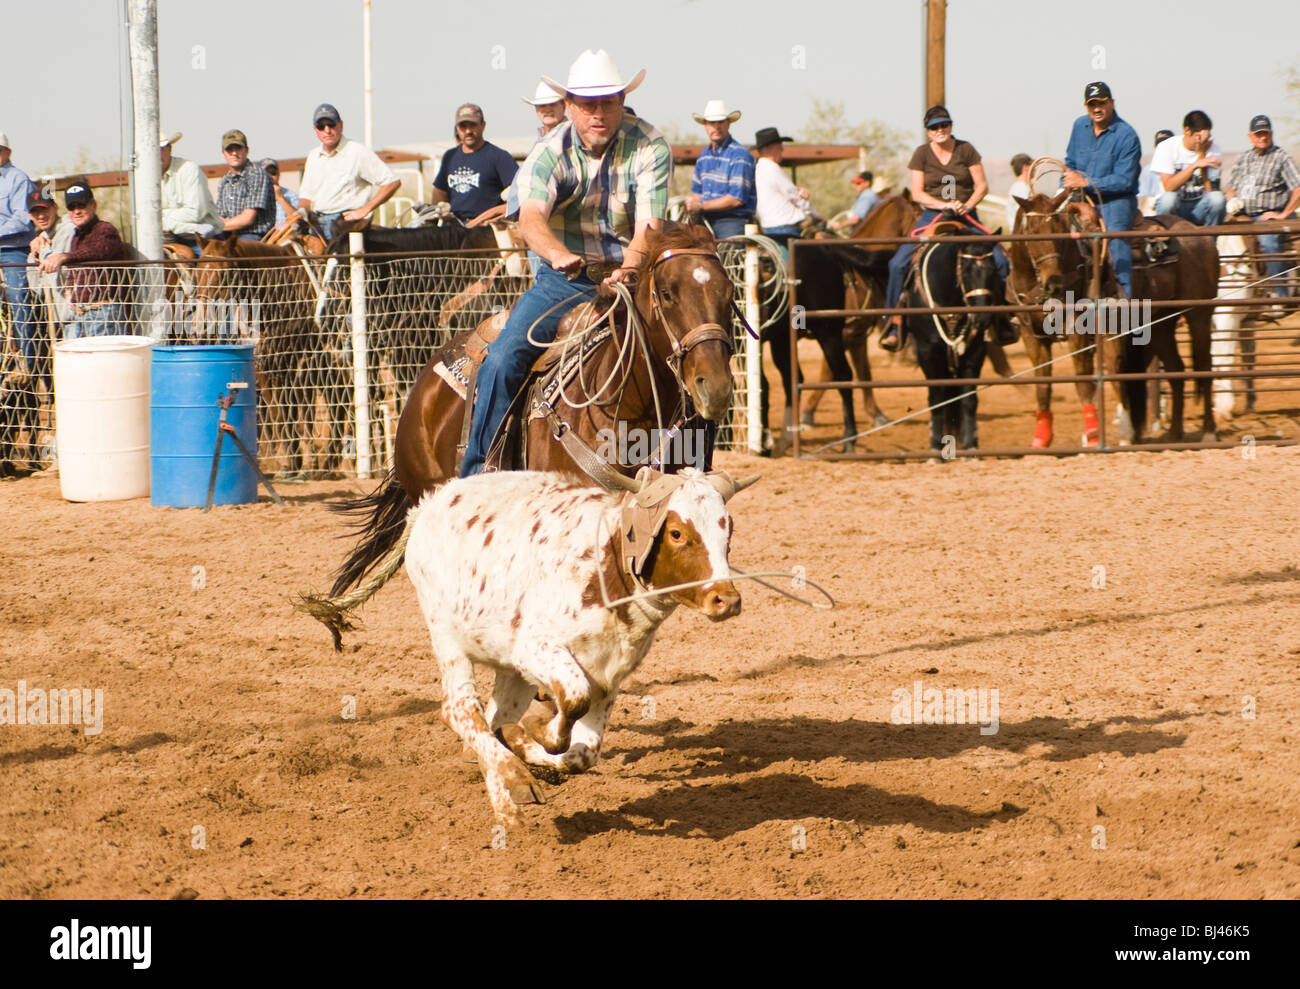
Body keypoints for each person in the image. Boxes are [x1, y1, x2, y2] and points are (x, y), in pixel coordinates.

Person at [460, 48, 671, 477]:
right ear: (569, 107)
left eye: (608, 102)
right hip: (564, 279)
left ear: (621, 103)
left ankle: (690, 462)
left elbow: (650, 224)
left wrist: (631, 266)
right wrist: (558, 254)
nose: (599, 113)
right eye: (588, 104)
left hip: (631, 276)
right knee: (502, 359)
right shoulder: (549, 151)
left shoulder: (650, 145)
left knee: (689, 349)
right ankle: (480, 471)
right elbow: (532, 217)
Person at [881, 104, 1009, 350]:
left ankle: (1000, 319)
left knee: (1000, 260)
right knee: (897, 263)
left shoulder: (966, 149)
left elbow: (981, 186)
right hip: (933, 215)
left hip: (966, 213)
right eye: (934, 127)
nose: (940, 130)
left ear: (951, 126)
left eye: (944, 125)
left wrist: (966, 205)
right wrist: (942, 205)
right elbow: (917, 193)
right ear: (928, 131)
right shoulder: (921, 154)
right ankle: (893, 324)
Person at [1063, 81, 1142, 300]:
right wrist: (1067, 181)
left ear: (1112, 103)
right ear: (1086, 106)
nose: (1097, 109)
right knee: (1051, 228)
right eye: (1092, 104)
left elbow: (1125, 180)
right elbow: (1070, 160)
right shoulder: (1080, 126)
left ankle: (1123, 294)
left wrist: (1086, 183)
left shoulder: (1127, 135)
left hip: (1116, 200)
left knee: (1114, 236)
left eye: (1102, 103)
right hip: (1082, 196)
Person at [298, 103, 400, 243]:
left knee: (350, 264)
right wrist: (301, 213)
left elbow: (392, 182)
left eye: (331, 124)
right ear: (315, 130)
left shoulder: (357, 151)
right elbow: (306, 196)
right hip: (317, 226)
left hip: (346, 225)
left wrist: (365, 209)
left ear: (341, 125)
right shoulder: (313, 156)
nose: (327, 130)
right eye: (321, 126)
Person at [39, 178, 127, 338]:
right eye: (72, 207)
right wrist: (69, 291)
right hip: (78, 314)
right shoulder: (76, 236)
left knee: (100, 361)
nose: (77, 211)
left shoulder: (105, 230)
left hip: (103, 313)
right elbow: (77, 265)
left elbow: (96, 252)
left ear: (93, 205)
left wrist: (63, 257)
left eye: (81, 205)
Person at [1225, 114, 1300, 298]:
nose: (1263, 137)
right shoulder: (1244, 158)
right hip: (1244, 214)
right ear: (1250, 136)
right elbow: (1231, 187)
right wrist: (1232, 200)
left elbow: (1298, 188)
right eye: (1258, 134)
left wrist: (1283, 214)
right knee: (1223, 239)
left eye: (1266, 133)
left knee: (1268, 241)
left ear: (1271, 134)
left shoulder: (1281, 157)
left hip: (1270, 215)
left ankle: (1281, 295)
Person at [430, 103, 518, 225]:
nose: (468, 131)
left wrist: (490, 218)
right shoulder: (450, 157)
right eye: (463, 126)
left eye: (473, 125)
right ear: (457, 128)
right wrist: (440, 211)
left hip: (487, 229)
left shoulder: (499, 157)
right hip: (456, 228)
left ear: (483, 125)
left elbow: (518, 197)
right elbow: (440, 192)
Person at [686, 99, 756, 239]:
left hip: (732, 222)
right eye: (712, 123)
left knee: (728, 257)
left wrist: (700, 206)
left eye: (721, 122)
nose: (716, 127)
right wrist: (693, 203)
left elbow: (736, 199)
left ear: (728, 124)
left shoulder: (740, 155)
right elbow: (697, 192)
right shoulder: (703, 157)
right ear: (705, 125)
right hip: (706, 221)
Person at [1151, 110, 1227, 226]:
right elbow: (1169, 186)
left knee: (1217, 199)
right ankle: (1167, 240)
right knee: (1168, 200)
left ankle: (1210, 240)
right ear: (1187, 131)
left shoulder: (1212, 149)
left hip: (1199, 206)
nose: (1202, 142)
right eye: (1199, 137)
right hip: (1176, 206)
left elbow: (1210, 191)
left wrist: (1202, 154)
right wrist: (1195, 165)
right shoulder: (1166, 147)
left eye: (1206, 138)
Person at [25, 188, 75, 365]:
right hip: (61, 317)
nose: (40, 216)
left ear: (55, 207)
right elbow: (37, 288)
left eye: (44, 209)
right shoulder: (41, 242)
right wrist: (37, 256)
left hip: (77, 315)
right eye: (35, 212)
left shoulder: (70, 229)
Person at [0, 131, 36, 377]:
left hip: (13, 249)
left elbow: (23, 220)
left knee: (20, 302)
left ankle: (29, 365)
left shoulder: (18, 179)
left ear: (7, 152)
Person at [754, 126, 815, 250]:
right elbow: (793, 195)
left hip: (772, 226)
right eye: (780, 147)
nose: (782, 150)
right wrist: (812, 212)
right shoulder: (772, 168)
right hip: (785, 229)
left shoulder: (761, 169)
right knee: (793, 266)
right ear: (771, 148)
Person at [160, 131, 222, 250]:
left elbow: (195, 213)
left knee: (209, 266)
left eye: (160, 149)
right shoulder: (146, 178)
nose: (156, 154)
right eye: (151, 150)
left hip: (201, 239)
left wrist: (163, 219)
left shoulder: (188, 169)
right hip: (169, 238)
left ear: (169, 148)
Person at [215, 129, 275, 240]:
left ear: (246, 151)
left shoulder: (257, 175)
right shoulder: (224, 181)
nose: (234, 153)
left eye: (238, 148)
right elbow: (220, 215)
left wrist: (219, 225)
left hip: (254, 235)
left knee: (236, 250)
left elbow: (248, 218)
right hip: (228, 233)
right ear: (223, 154)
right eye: (229, 150)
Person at [1138, 129, 1174, 214]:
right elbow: (1144, 196)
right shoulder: (1149, 170)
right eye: (1160, 145)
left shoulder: (1180, 167)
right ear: (1155, 148)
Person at [259, 158, 300, 228]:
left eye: (273, 173)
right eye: (266, 173)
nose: (270, 177)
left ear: (279, 174)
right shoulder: (254, 195)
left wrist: (281, 198)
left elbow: (298, 221)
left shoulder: (292, 195)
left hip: (283, 235)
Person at [1006, 153, 1033, 231]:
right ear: (1025, 167)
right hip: (1023, 233)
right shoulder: (1021, 189)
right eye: (1032, 166)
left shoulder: (1019, 187)